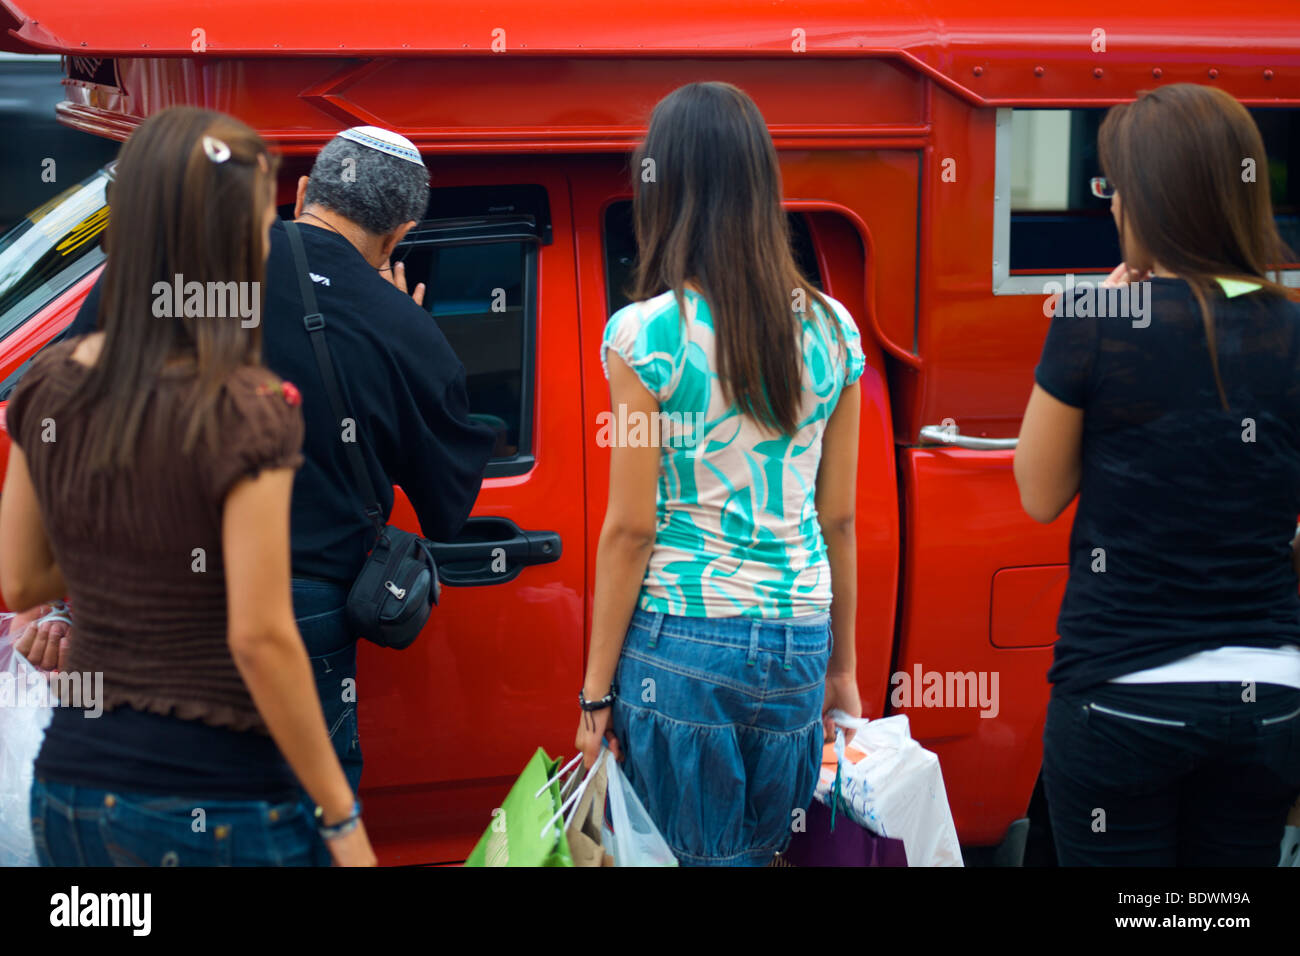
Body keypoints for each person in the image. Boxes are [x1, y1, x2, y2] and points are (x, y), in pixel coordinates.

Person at [64, 126, 496, 795]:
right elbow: (448, 503)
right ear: (402, 231)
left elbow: (63, 404)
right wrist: (411, 335)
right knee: (297, 813)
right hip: (302, 612)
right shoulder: (407, 331)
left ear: (301, 193)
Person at [0, 106, 374, 865]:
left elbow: (21, 579)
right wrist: (341, 818)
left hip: (69, 785)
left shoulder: (46, 387)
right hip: (215, 794)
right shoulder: (252, 411)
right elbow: (262, 638)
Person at [573, 82, 865, 866]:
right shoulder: (835, 330)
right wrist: (844, 669)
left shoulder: (642, 337)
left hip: (683, 643)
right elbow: (838, 518)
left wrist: (595, 696)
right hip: (801, 637)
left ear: (659, 188)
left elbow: (631, 529)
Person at [1016, 83, 1300, 866]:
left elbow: (1039, 494)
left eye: (1115, 189)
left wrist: (1098, 322)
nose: (1110, 207)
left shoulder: (1093, 322)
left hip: (1122, 696)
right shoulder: (1291, 327)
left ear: (1152, 199)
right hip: (1271, 701)